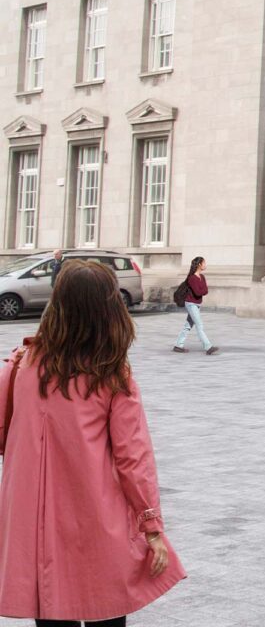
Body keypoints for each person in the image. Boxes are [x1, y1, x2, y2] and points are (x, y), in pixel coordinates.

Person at [0, 260, 186, 623]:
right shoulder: (111, 374)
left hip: (36, 526)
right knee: (107, 608)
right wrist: (151, 526)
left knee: (52, 609)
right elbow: (133, 458)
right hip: (97, 518)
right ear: (108, 309)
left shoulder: (21, 365)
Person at [171, 256, 218, 356]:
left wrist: (202, 290)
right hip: (191, 304)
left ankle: (178, 345)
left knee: (188, 325)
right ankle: (208, 347)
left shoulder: (202, 277)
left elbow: (205, 291)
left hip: (197, 304)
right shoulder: (192, 278)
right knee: (199, 325)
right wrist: (202, 290)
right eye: (204, 263)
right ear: (199, 264)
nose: (205, 265)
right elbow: (198, 292)